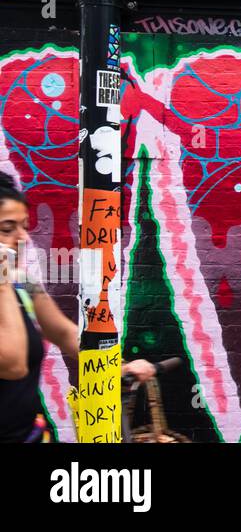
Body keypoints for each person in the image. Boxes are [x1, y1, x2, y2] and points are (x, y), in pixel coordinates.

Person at [0, 176, 153, 441]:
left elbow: (61, 332)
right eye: (7, 228)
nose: (22, 238)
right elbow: (13, 363)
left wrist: (116, 368)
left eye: (23, 227)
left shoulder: (21, 283)